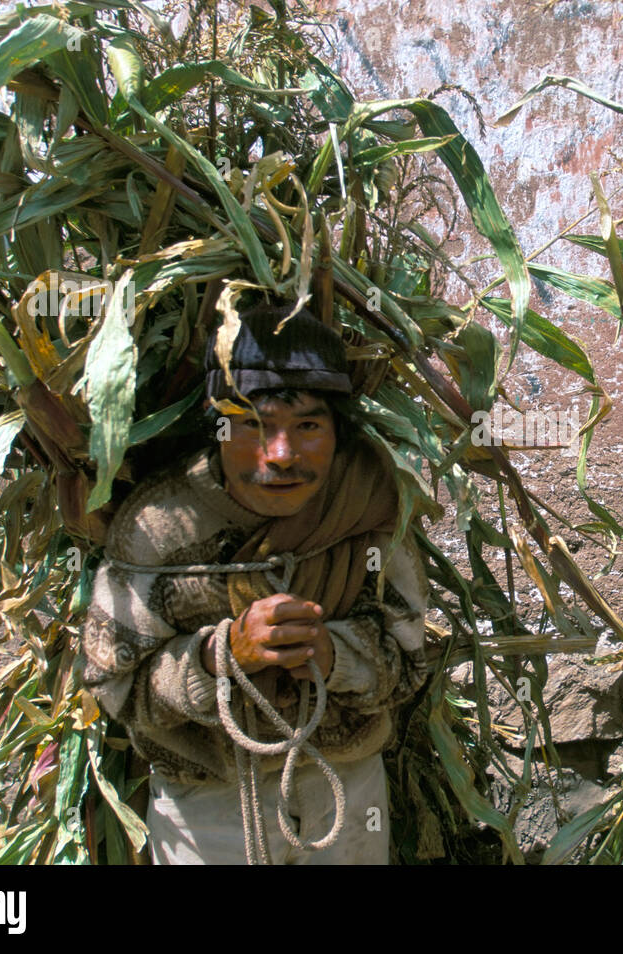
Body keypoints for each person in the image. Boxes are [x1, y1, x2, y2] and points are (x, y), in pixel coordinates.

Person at [80, 303, 429, 864]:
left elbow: (413, 660)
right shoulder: (161, 529)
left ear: (339, 433)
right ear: (217, 426)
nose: (282, 455)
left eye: (308, 426)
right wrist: (218, 658)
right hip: (209, 806)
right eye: (252, 425)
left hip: (345, 789)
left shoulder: (368, 507)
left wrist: (333, 654)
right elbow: (112, 686)